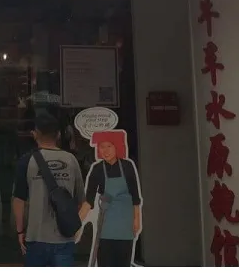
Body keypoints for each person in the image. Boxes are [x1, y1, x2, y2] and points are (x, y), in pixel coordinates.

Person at [13, 114, 83, 267]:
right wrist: (74, 225)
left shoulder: (26, 161)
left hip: (35, 237)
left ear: (34, 134)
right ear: (58, 135)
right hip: (64, 238)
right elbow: (80, 200)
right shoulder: (71, 160)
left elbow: (19, 200)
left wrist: (20, 231)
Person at [79, 130, 142, 267]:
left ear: (117, 147)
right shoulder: (97, 169)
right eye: (102, 147)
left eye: (109, 146)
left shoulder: (127, 166)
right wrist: (77, 224)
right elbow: (88, 201)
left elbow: (135, 197)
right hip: (106, 226)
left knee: (123, 264)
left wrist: (137, 219)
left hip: (126, 225)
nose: (105, 150)